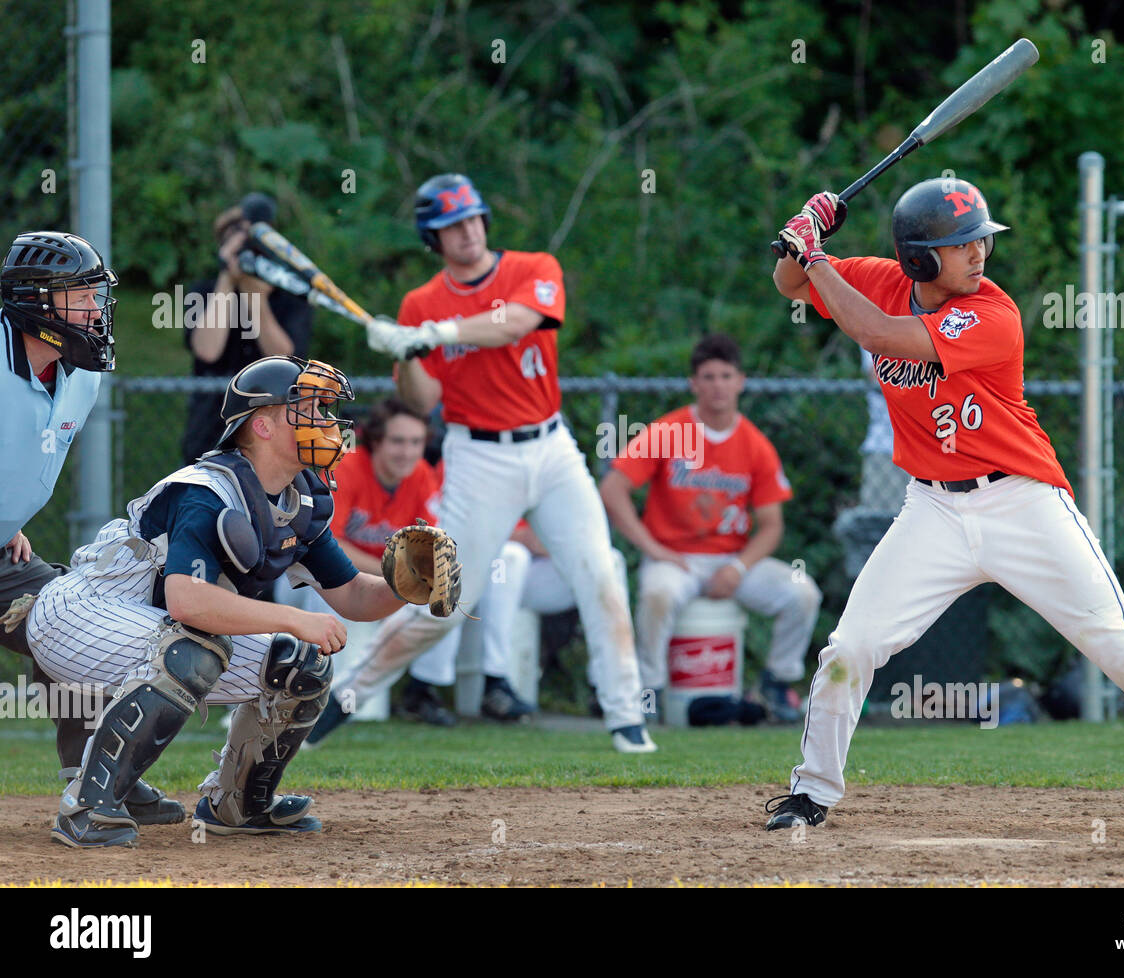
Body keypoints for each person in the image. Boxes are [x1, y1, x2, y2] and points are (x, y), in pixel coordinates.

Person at [761, 179, 1124, 838]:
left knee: (1123, 646)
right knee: (849, 648)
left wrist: (819, 257)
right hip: (933, 512)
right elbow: (788, 284)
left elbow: (880, 333)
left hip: (1023, 503)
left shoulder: (992, 313)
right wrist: (803, 234)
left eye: (980, 238)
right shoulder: (880, 280)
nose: (979, 253)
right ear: (919, 258)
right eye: (960, 244)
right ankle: (810, 793)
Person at [25, 355, 450, 848]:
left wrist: (407, 585)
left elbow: (353, 595)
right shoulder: (210, 490)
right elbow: (188, 602)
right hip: (77, 615)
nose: (327, 423)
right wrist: (293, 617)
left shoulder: (297, 500)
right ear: (263, 425)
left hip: (144, 627)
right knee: (193, 648)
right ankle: (88, 806)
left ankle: (236, 804)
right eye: (309, 408)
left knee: (300, 667)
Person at [355, 172, 655, 753]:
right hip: (477, 455)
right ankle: (350, 695)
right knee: (447, 598)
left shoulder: (533, 268)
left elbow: (515, 322)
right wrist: (410, 351)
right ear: (432, 238)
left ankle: (626, 719)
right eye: (449, 226)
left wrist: (436, 332)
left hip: (551, 447)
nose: (466, 232)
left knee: (601, 571)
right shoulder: (420, 303)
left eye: (471, 219)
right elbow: (421, 402)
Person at [0, 230, 184, 826]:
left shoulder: (81, 374)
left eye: (95, 295)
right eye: (80, 296)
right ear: (33, 300)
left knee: (72, 624)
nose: (94, 310)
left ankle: (96, 777)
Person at [599, 333, 822, 723]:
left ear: (740, 381)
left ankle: (776, 682)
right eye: (708, 376)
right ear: (694, 383)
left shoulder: (755, 444)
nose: (717, 385)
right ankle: (649, 691)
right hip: (676, 558)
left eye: (725, 375)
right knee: (658, 593)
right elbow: (612, 489)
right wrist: (652, 549)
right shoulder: (670, 430)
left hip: (731, 559)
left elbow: (771, 526)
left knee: (802, 593)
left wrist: (738, 568)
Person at [294, 397, 535, 730]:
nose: (406, 452)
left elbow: (436, 546)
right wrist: (400, 573)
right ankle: (303, 694)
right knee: (334, 582)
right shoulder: (345, 466)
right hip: (313, 581)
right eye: (397, 441)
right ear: (376, 440)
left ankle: (424, 689)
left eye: (415, 442)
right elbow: (326, 546)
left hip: (378, 583)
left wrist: (415, 575)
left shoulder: (420, 475)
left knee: (445, 582)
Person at [180, 192, 313, 463]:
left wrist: (256, 295)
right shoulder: (204, 292)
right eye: (236, 236)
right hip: (210, 427)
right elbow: (207, 350)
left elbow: (285, 356)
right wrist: (228, 279)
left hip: (271, 428)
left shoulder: (290, 294)